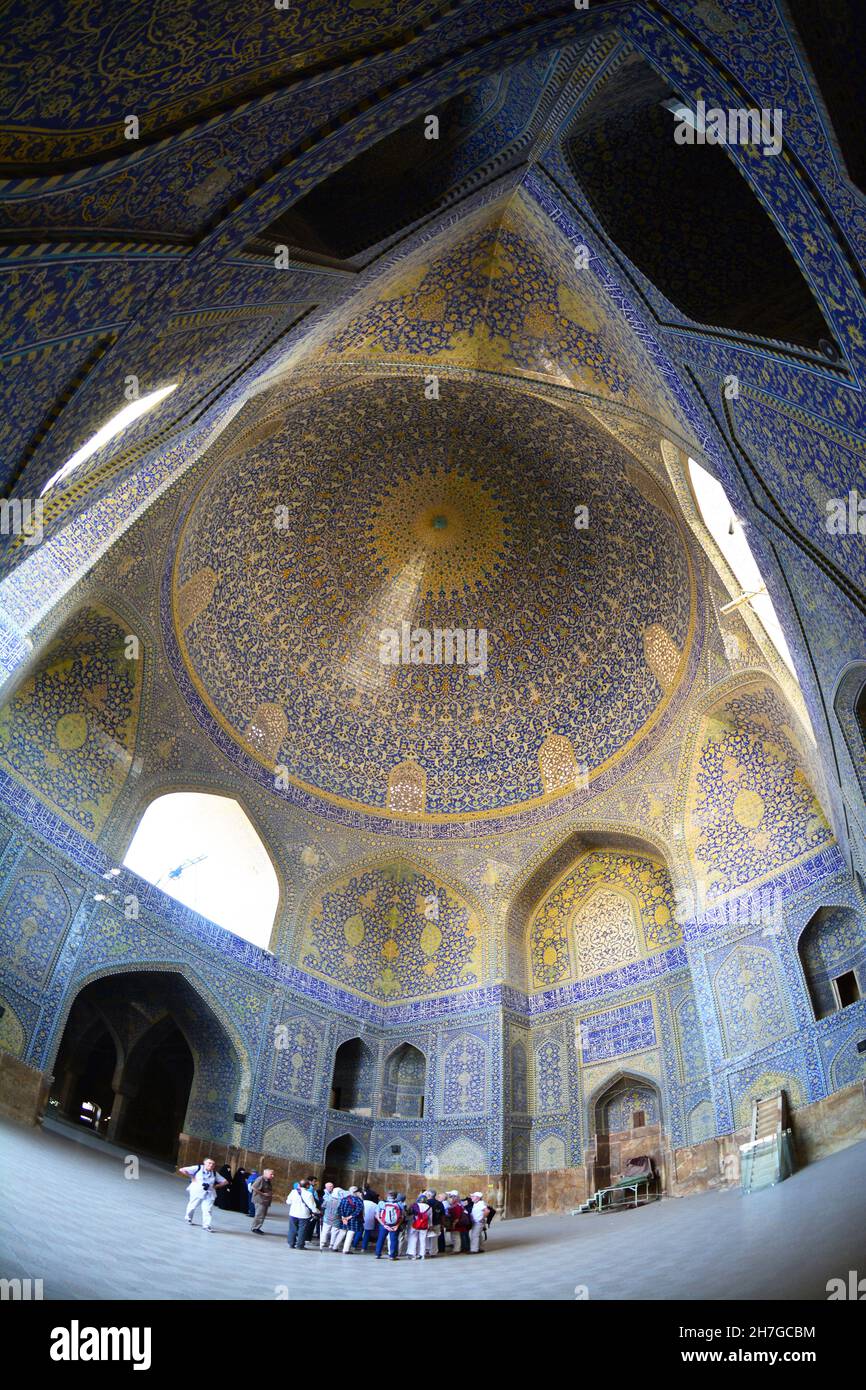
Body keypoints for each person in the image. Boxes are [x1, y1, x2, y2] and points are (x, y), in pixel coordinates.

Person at [178, 1158, 229, 1231]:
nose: (211, 1165)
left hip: (209, 1192)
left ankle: (206, 1225)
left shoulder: (214, 1173)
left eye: (213, 1164)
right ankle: (188, 1218)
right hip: (197, 1190)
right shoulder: (198, 1168)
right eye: (209, 1163)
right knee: (193, 1205)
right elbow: (182, 1169)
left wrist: (216, 1186)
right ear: (204, 1163)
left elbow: (225, 1182)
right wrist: (192, 1177)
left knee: (208, 1209)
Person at [286, 1178, 317, 1249]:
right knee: (302, 1230)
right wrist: (316, 1212)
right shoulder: (309, 1194)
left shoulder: (293, 1192)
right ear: (307, 1186)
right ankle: (300, 1245)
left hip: (293, 1213)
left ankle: (291, 1243)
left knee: (292, 1229)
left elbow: (288, 1202)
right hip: (304, 1215)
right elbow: (312, 1206)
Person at [333, 1186, 364, 1253]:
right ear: (356, 1192)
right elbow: (358, 1211)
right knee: (351, 1233)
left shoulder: (344, 1199)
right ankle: (346, 1250)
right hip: (354, 1220)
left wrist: (343, 1217)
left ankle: (335, 1247)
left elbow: (340, 1208)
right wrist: (349, 1217)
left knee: (342, 1232)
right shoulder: (358, 1200)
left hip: (344, 1218)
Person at [374, 1192, 403, 1261]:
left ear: (387, 1196)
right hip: (394, 1225)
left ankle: (377, 1254)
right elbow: (402, 1216)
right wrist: (397, 1225)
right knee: (394, 1239)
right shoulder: (399, 1204)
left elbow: (377, 1215)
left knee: (381, 1238)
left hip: (383, 1224)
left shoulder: (382, 1203)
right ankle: (392, 1256)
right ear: (396, 1197)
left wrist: (383, 1224)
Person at [406, 1192, 432, 1260]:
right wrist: (430, 1225)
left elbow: (410, 1214)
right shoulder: (429, 1207)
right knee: (423, 1240)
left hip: (415, 1224)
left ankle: (412, 1254)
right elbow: (430, 1218)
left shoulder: (415, 1205)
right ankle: (422, 1254)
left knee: (413, 1239)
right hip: (424, 1225)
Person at [250, 1169, 274, 1233]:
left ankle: (257, 1227)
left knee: (262, 1215)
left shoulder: (268, 1180)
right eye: (271, 1174)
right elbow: (253, 1187)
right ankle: (255, 1228)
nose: (272, 1175)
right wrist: (263, 1194)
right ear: (265, 1174)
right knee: (259, 1215)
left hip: (265, 1201)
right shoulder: (260, 1179)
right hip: (260, 1200)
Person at [318, 1182, 340, 1249]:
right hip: (336, 1218)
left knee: (325, 1230)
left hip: (327, 1217)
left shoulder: (328, 1199)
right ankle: (332, 1244)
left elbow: (323, 1206)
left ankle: (322, 1242)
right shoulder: (340, 1201)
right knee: (334, 1231)